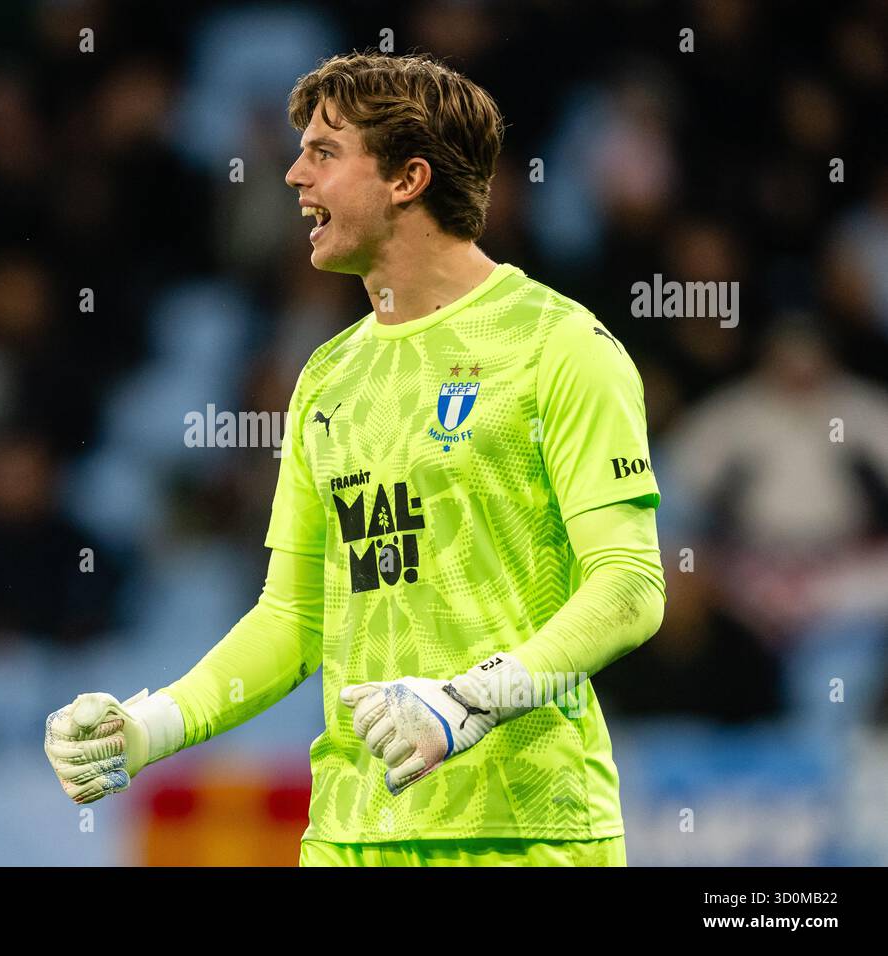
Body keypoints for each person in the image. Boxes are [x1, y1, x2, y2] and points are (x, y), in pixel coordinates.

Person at [44, 51, 665, 867]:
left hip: (524, 830)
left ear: (408, 179)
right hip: (350, 834)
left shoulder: (560, 347)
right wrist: (150, 726)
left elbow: (630, 587)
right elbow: (294, 619)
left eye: (325, 153)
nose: (295, 174)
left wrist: (468, 702)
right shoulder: (328, 377)